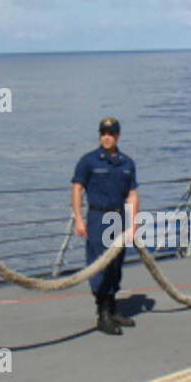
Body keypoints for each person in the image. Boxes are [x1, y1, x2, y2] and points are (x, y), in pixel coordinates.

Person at [71, 117, 139, 335]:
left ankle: (113, 308)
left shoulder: (127, 163)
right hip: (97, 217)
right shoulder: (89, 161)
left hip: (118, 219)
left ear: (117, 136)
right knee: (99, 266)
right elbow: (77, 189)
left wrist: (134, 224)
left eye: (110, 133)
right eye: (103, 133)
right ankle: (102, 314)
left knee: (116, 265)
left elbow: (133, 195)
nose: (106, 137)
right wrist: (79, 220)